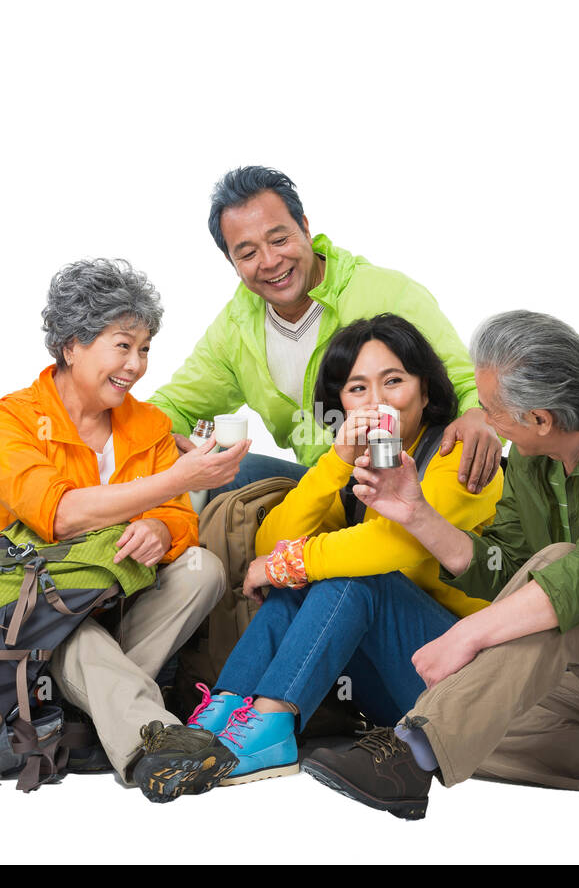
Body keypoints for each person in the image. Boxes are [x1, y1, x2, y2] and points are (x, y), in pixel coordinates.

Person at [300, 311, 579, 819]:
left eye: (491, 410)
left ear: (541, 419)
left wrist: (468, 635)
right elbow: (502, 564)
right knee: (471, 730)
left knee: (561, 563)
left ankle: (411, 760)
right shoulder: (536, 457)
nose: (482, 421)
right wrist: (418, 516)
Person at [147, 314, 504, 788]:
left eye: (393, 381)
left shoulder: (457, 453)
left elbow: (391, 546)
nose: (376, 401)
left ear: (426, 390)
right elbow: (273, 541)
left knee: (355, 574)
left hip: (462, 682)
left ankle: (273, 725)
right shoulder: (354, 463)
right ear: (339, 402)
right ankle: (223, 713)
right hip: (391, 690)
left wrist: (281, 566)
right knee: (315, 571)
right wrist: (334, 463)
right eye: (357, 389)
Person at [0, 258, 246, 800]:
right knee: (70, 627)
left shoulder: (149, 424)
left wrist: (162, 531)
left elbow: (181, 521)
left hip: (115, 598)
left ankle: (93, 710)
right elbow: (61, 514)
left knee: (202, 567)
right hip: (31, 608)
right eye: (123, 346)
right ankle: (154, 742)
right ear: (72, 345)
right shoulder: (7, 423)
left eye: (144, 349)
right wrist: (177, 478)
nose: (137, 365)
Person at [148, 166, 503, 500]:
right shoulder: (234, 329)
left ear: (304, 227)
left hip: (409, 476)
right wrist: (163, 447)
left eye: (279, 239)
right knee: (222, 476)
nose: (270, 261)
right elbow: (173, 405)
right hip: (324, 486)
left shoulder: (388, 293)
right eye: (248, 252)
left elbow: (469, 385)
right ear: (231, 262)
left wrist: (477, 414)